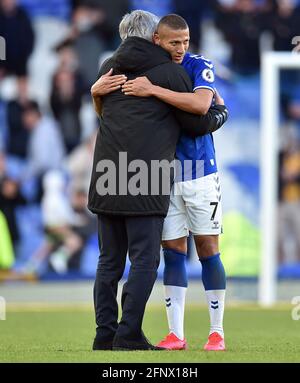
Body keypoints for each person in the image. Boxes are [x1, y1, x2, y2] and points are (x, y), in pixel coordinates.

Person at [88, 10, 228, 351]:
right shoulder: (171, 73)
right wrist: (220, 114)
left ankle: (104, 334)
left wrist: (94, 92)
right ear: (155, 38)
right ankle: (128, 334)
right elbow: (196, 122)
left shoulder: (107, 69)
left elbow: (108, 112)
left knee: (108, 260)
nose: (179, 48)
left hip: (108, 170)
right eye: (173, 41)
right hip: (147, 175)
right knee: (145, 260)